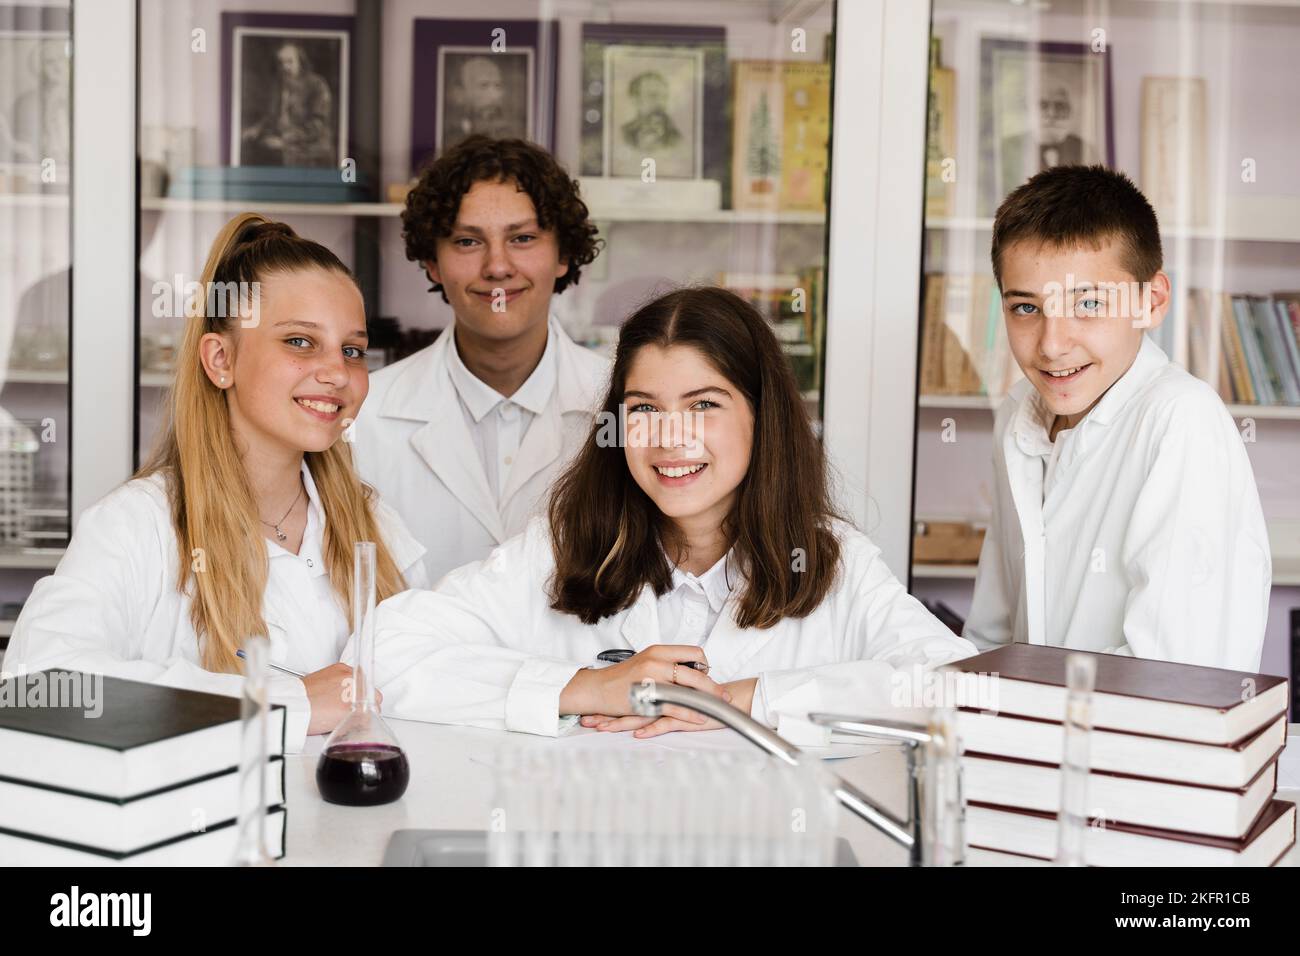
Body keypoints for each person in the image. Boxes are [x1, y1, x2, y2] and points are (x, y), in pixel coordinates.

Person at [350, 287, 975, 743]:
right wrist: (582, 688)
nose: (670, 438)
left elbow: (955, 689)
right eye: (644, 408)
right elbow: (378, 653)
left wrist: (738, 700)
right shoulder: (561, 548)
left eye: (703, 404)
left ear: (763, 418)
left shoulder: (834, 563)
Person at [5, 214, 427, 752]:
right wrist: (287, 700)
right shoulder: (139, 524)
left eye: (351, 350)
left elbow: (430, 670)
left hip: (360, 829)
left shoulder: (375, 523)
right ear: (221, 359)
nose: (337, 373)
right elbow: (40, 684)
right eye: (300, 341)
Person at [965, 165, 1271, 670]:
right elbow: (993, 633)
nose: (1052, 344)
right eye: (1026, 308)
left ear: (1150, 304)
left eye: (1088, 303)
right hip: (1028, 739)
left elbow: (1173, 673)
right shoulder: (1017, 413)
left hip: (1133, 745)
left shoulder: (1181, 421)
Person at [352, 136, 609, 583]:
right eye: (468, 241)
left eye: (523, 238)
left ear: (564, 254)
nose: (497, 267)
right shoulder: (365, 416)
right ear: (433, 261)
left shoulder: (618, 406)